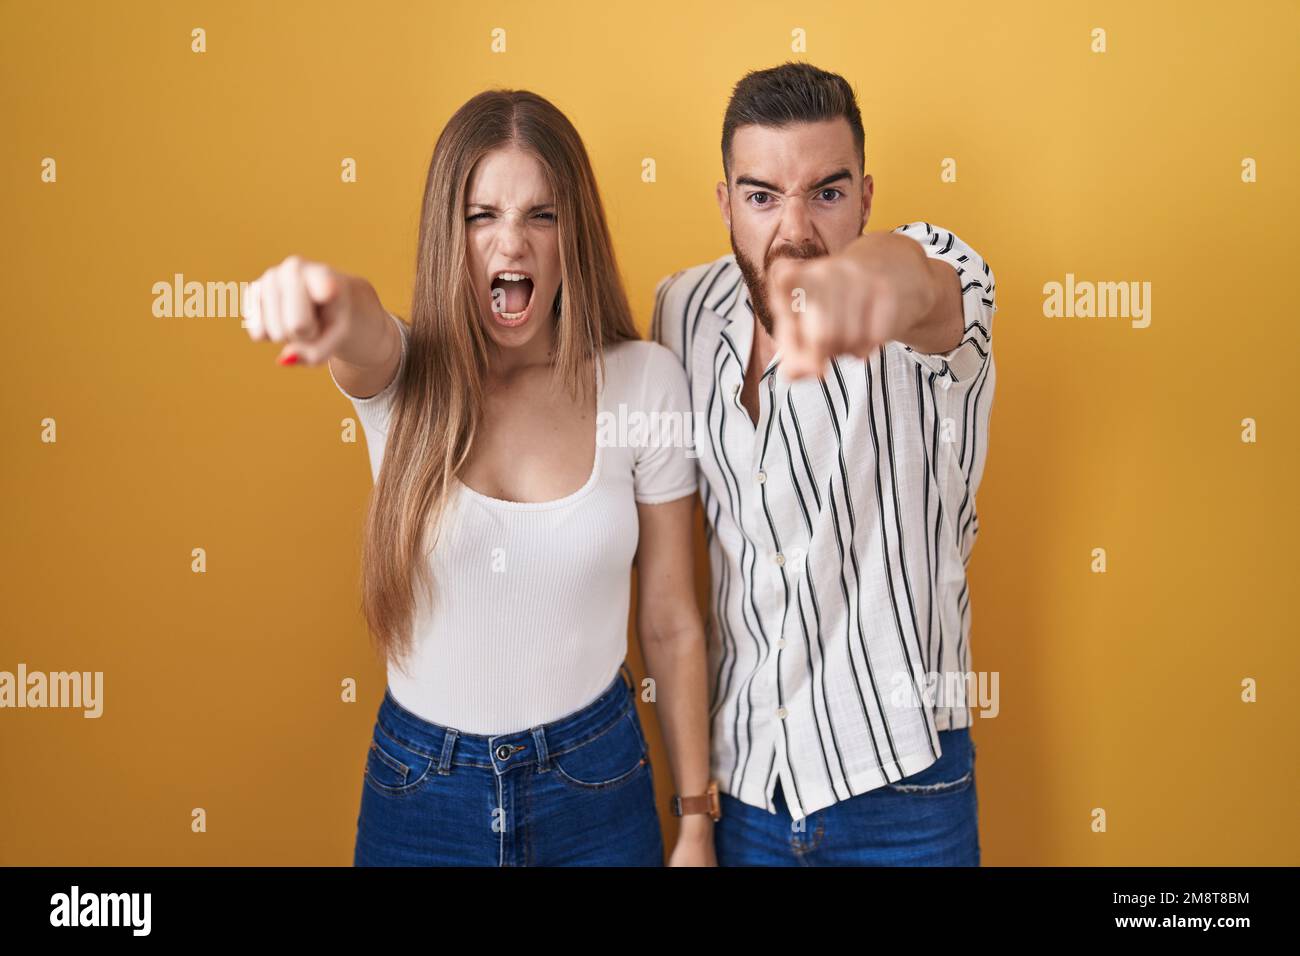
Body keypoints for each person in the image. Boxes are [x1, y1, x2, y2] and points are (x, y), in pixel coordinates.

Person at [241, 89, 716, 866]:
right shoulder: (407, 374)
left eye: (541, 214)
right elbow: (359, 323)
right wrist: (321, 300)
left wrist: (695, 821)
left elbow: (670, 616)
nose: (513, 244)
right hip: (423, 793)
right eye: (482, 215)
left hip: (595, 785)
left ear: (576, 234)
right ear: (448, 235)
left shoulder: (646, 383)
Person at [652, 62, 995, 865]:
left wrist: (848, 292)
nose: (794, 228)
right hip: (746, 792)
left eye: (827, 193)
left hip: (903, 784)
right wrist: (695, 813)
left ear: (868, 198)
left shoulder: (937, 294)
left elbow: (916, 284)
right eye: (762, 196)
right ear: (726, 202)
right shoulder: (683, 311)